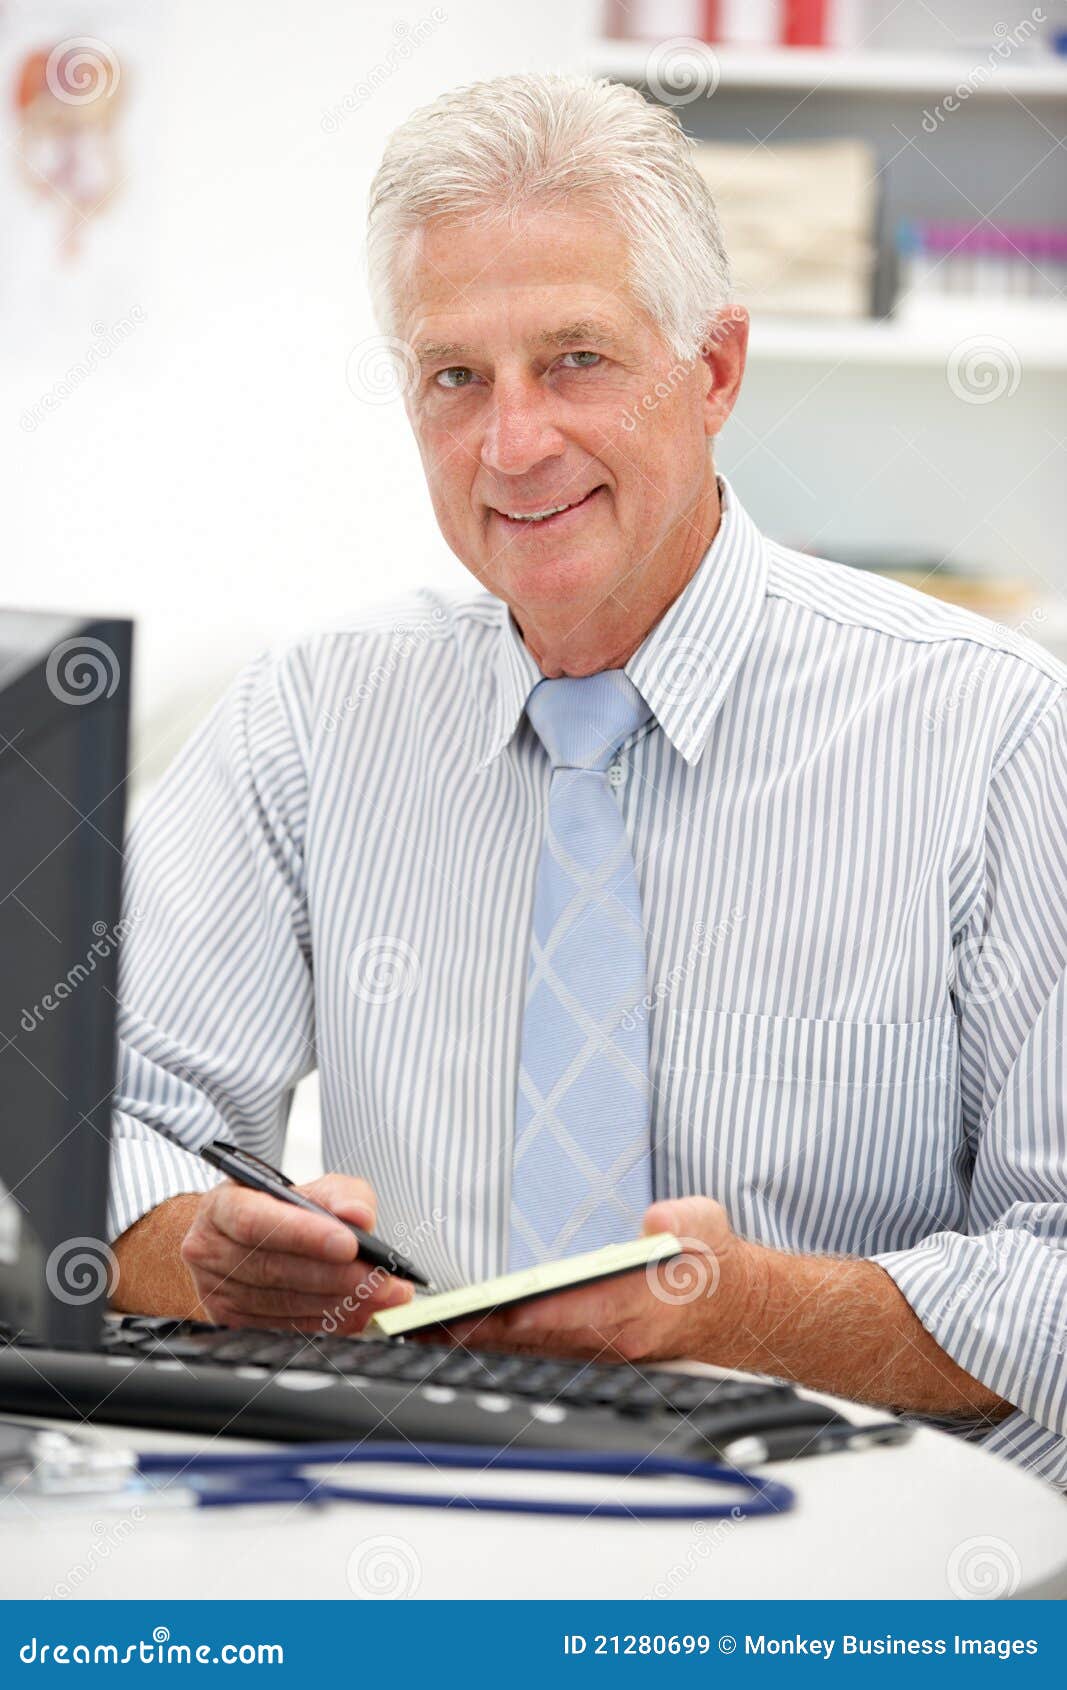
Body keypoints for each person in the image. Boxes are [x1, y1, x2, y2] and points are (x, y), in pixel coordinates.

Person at [109, 73, 1066, 1484]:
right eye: (456, 377)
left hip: (861, 1576)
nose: (513, 445)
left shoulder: (1000, 732)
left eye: (575, 361)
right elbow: (89, 1126)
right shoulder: (312, 717)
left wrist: (752, 1312)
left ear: (718, 371)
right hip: (419, 1535)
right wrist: (199, 1255)